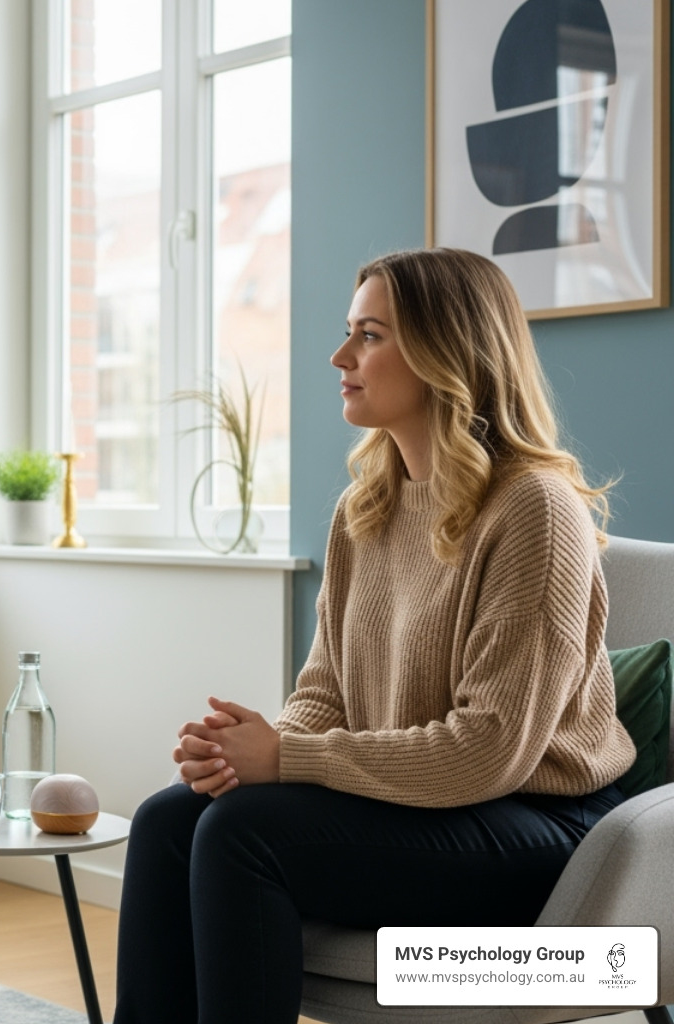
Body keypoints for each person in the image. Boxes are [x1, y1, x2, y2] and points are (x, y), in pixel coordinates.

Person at [113, 247, 636, 1023]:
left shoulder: (534, 510)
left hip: (547, 828)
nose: (340, 357)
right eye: (349, 332)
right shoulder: (367, 509)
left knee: (241, 836)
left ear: (444, 354)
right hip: (428, 809)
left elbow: (489, 748)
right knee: (169, 819)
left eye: (369, 335)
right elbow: (325, 693)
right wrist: (244, 758)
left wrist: (287, 759)